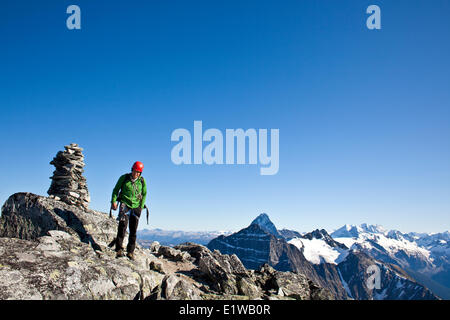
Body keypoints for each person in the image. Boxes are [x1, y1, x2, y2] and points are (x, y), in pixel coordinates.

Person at [111, 161, 147, 260]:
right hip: (125, 204)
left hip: (136, 207)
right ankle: (118, 249)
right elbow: (116, 190)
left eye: (138, 172)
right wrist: (113, 201)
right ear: (132, 170)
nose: (136, 174)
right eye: (135, 171)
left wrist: (141, 206)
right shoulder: (124, 178)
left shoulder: (142, 181)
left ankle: (130, 251)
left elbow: (144, 193)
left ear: (140, 173)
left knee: (133, 229)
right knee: (122, 227)